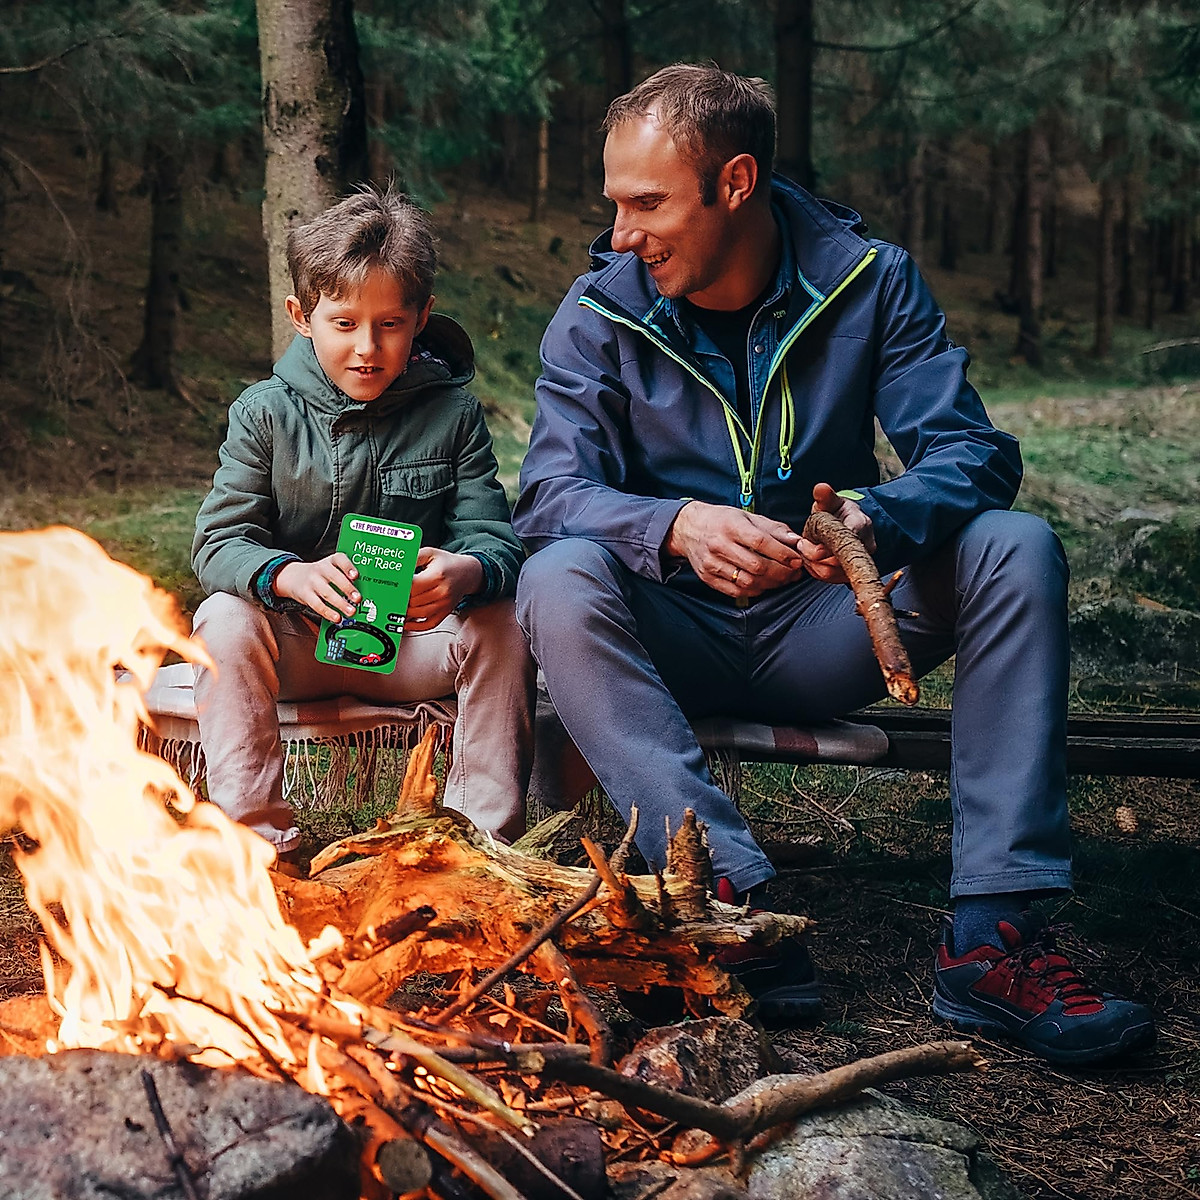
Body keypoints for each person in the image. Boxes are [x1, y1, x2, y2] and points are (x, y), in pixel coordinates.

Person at [512, 63, 1154, 1062]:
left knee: (1014, 548)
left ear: (734, 183)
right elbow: (549, 498)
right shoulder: (599, 313)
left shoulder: (869, 280)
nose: (623, 233)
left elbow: (975, 455)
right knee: (556, 575)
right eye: (616, 204)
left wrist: (872, 518)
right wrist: (676, 525)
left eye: (648, 204)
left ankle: (996, 939)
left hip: (830, 629)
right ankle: (726, 899)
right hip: (665, 637)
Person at [192, 186, 535, 858]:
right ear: (301, 315)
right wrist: (286, 576)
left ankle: (479, 849)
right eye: (344, 324)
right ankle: (260, 850)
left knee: (503, 620)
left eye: (391, 325)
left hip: (414, 643)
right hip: (297, 645)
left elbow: (494, 539)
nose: (368, 349)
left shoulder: (453, 414)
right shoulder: (264, 413)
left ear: (422, 316)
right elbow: (218, 541)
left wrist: (466, 571)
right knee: (223, 620)